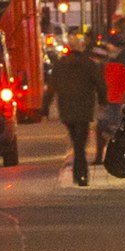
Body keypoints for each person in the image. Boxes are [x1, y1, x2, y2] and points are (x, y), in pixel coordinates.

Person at [49, 33, 106, 185]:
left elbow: (51, 88)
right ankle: (81, 173)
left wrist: (43, 107)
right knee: (81, 142)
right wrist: (103, 101)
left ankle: (78, 172)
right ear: (81, 47)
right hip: (84, 108)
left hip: (66, 109)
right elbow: (100, 84)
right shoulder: (89, 64)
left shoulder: (60, 65)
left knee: (76, 140)